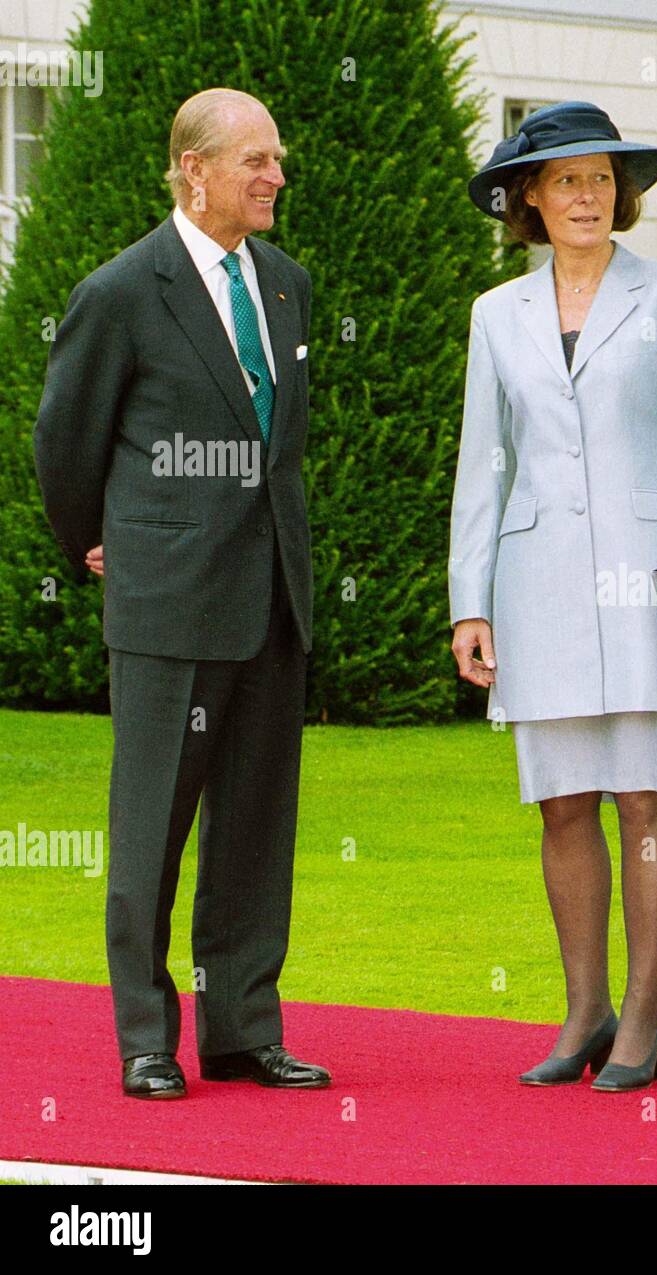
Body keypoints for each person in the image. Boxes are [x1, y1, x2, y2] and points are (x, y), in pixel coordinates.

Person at [33, 88, 329, 1098]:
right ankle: (146, 1040)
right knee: (151, 829)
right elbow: (65, 444)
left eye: (276, 160)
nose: (275, 177)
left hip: (271, 596)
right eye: (255, 161)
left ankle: (244, 1031)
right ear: (193, 170)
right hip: (167, 603)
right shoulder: (122, 291)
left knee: (256, 827)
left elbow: (277, 451)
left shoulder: (285, 285)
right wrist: (97, 543)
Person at [449, 101, 657, 1092]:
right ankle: (583, 1011)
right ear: (528, 196)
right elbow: (482, 466)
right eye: (566, 179)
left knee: (646, 796)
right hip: (534, 590)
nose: (587, 195)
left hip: (651, 585)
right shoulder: (497, 314)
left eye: (602, 179)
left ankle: (644, 1018)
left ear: (624, 193)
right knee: (561, 805)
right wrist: (468, 601)